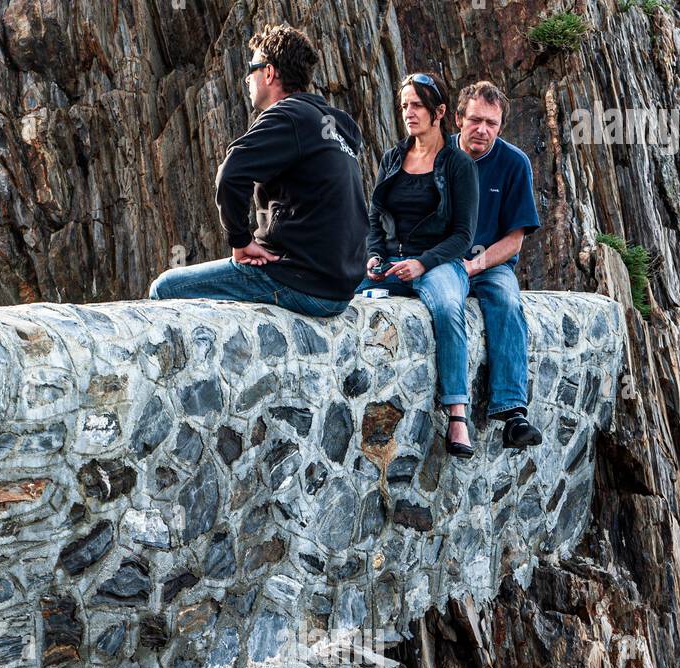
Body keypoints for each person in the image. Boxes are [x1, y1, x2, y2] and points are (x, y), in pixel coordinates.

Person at [148, 24, 368, 316]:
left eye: (251, 69)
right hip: (342, 288)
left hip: (300, 282)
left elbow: (230, 175)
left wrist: (240, 241)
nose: (247, 80)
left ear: (269, 73)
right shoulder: (339, 122)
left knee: (165, 288)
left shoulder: (288, 115)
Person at [359, 72, 479, 456]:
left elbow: (463, 236)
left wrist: (423, 264)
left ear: (439, 112)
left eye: (416, 106)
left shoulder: (458, 165)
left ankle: (458, 414)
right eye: (404, 106)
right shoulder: (393, 158)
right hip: (392, 262)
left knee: (447, 306)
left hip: (440, 263)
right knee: (344, 294)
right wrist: (374, 256)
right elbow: (375, 218)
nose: (408, 113)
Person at [450, 81, 542, 448]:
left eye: (492, 123)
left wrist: (475, 266)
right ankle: (451, 408)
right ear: (458, 118)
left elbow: (515, 239)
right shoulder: (435, 156)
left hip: (491, 265)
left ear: (500, 125)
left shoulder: (514, 163)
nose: (482, 130)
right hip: (440, 259)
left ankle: (513, 413)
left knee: (506, 301)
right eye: (475, 120)